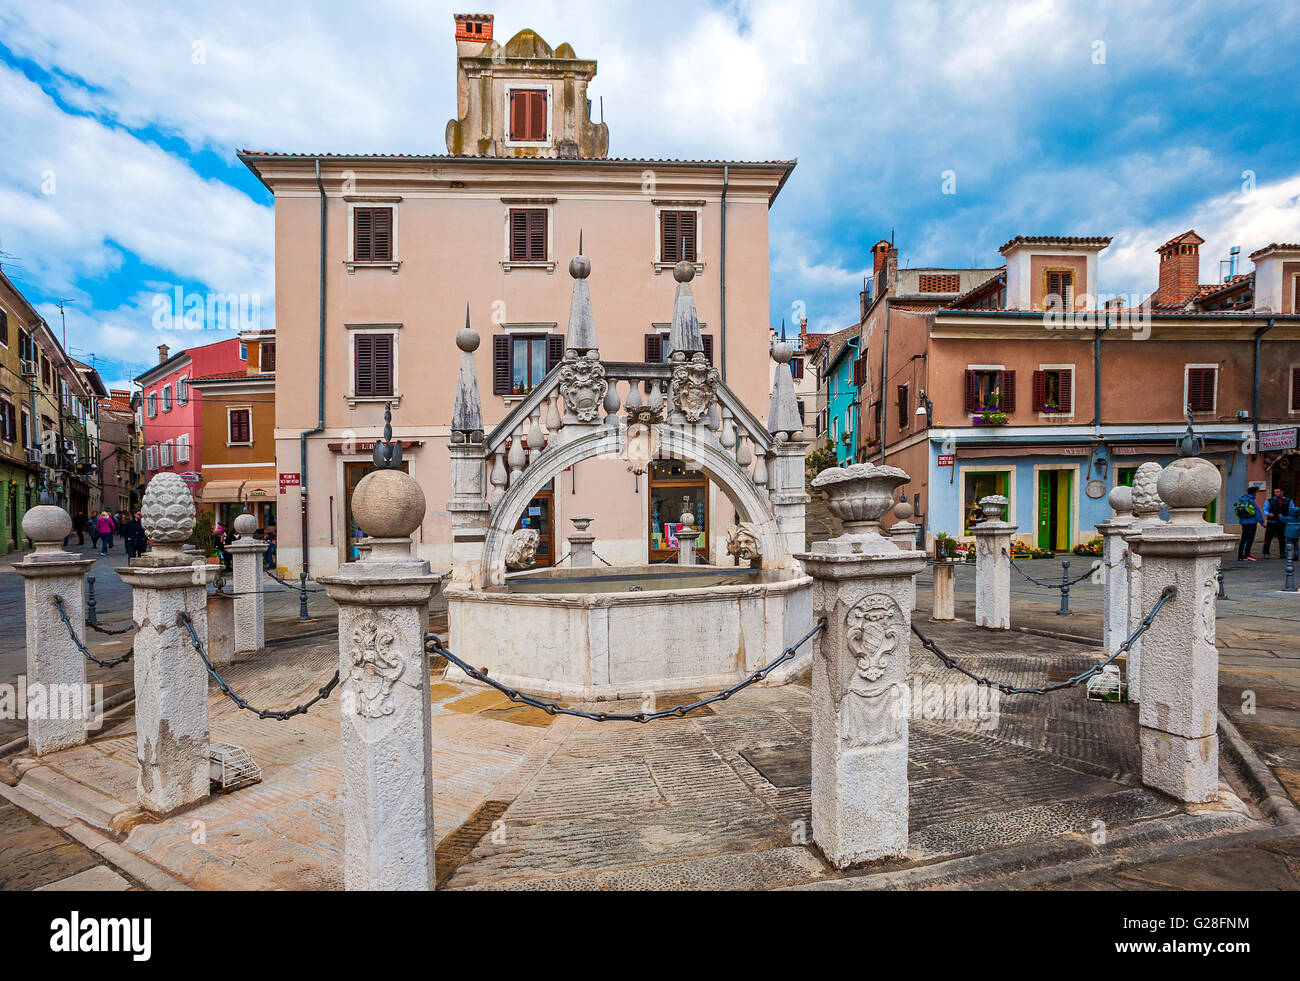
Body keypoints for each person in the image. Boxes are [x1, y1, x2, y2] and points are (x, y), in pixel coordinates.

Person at [1262, 487, 1293, 557]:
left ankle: (1282, 553)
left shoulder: (1288, 501)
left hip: (1282, 523)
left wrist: (1287, 518)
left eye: (1277, 492)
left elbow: (1291, 510)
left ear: (1282, 492)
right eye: (1275, 492)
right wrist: (1268, 514)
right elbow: (1265, 509)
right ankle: (1266, 552)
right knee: (1268, 538)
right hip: (1271, 522)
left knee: (1282, 539)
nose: (1276, 493)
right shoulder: (1269, 501)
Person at [1234, 487, 1261, 562]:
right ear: (1254, 493)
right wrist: (1261, 522)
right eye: (1256, 492)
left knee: (1243, 538)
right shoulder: (1251, 500)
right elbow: (1257, 511)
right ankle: (1247, 555)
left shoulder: (1241, 499)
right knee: (1250, 539)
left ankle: (1240, 556)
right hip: (1251, 522)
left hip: (1243, 522)